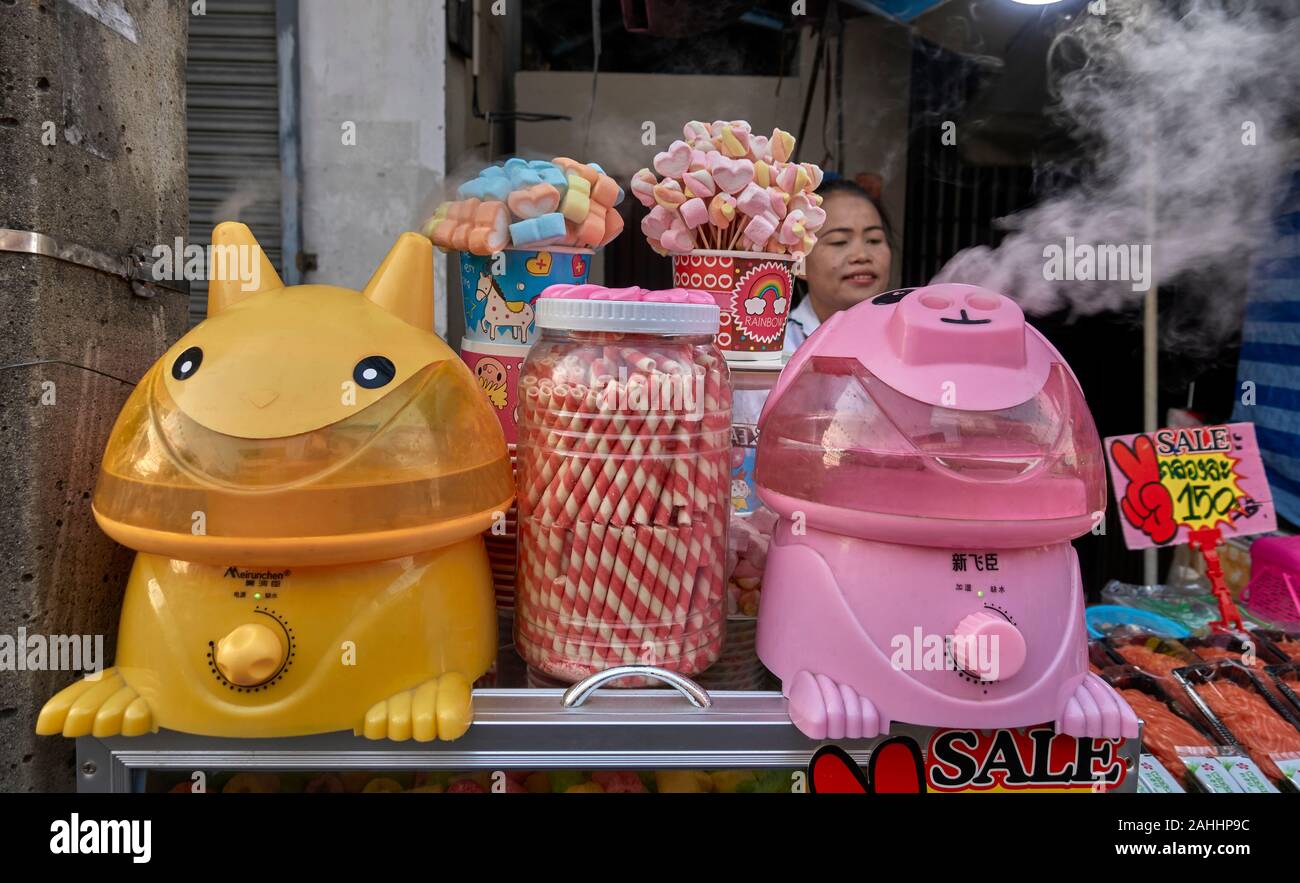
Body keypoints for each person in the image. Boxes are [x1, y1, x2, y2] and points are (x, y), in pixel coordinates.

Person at [784, 179, 895, 353]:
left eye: (874, 240)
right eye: (839, 242)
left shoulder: (910, 341)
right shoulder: (778, 348)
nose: (862, 256)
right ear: (799, 260)